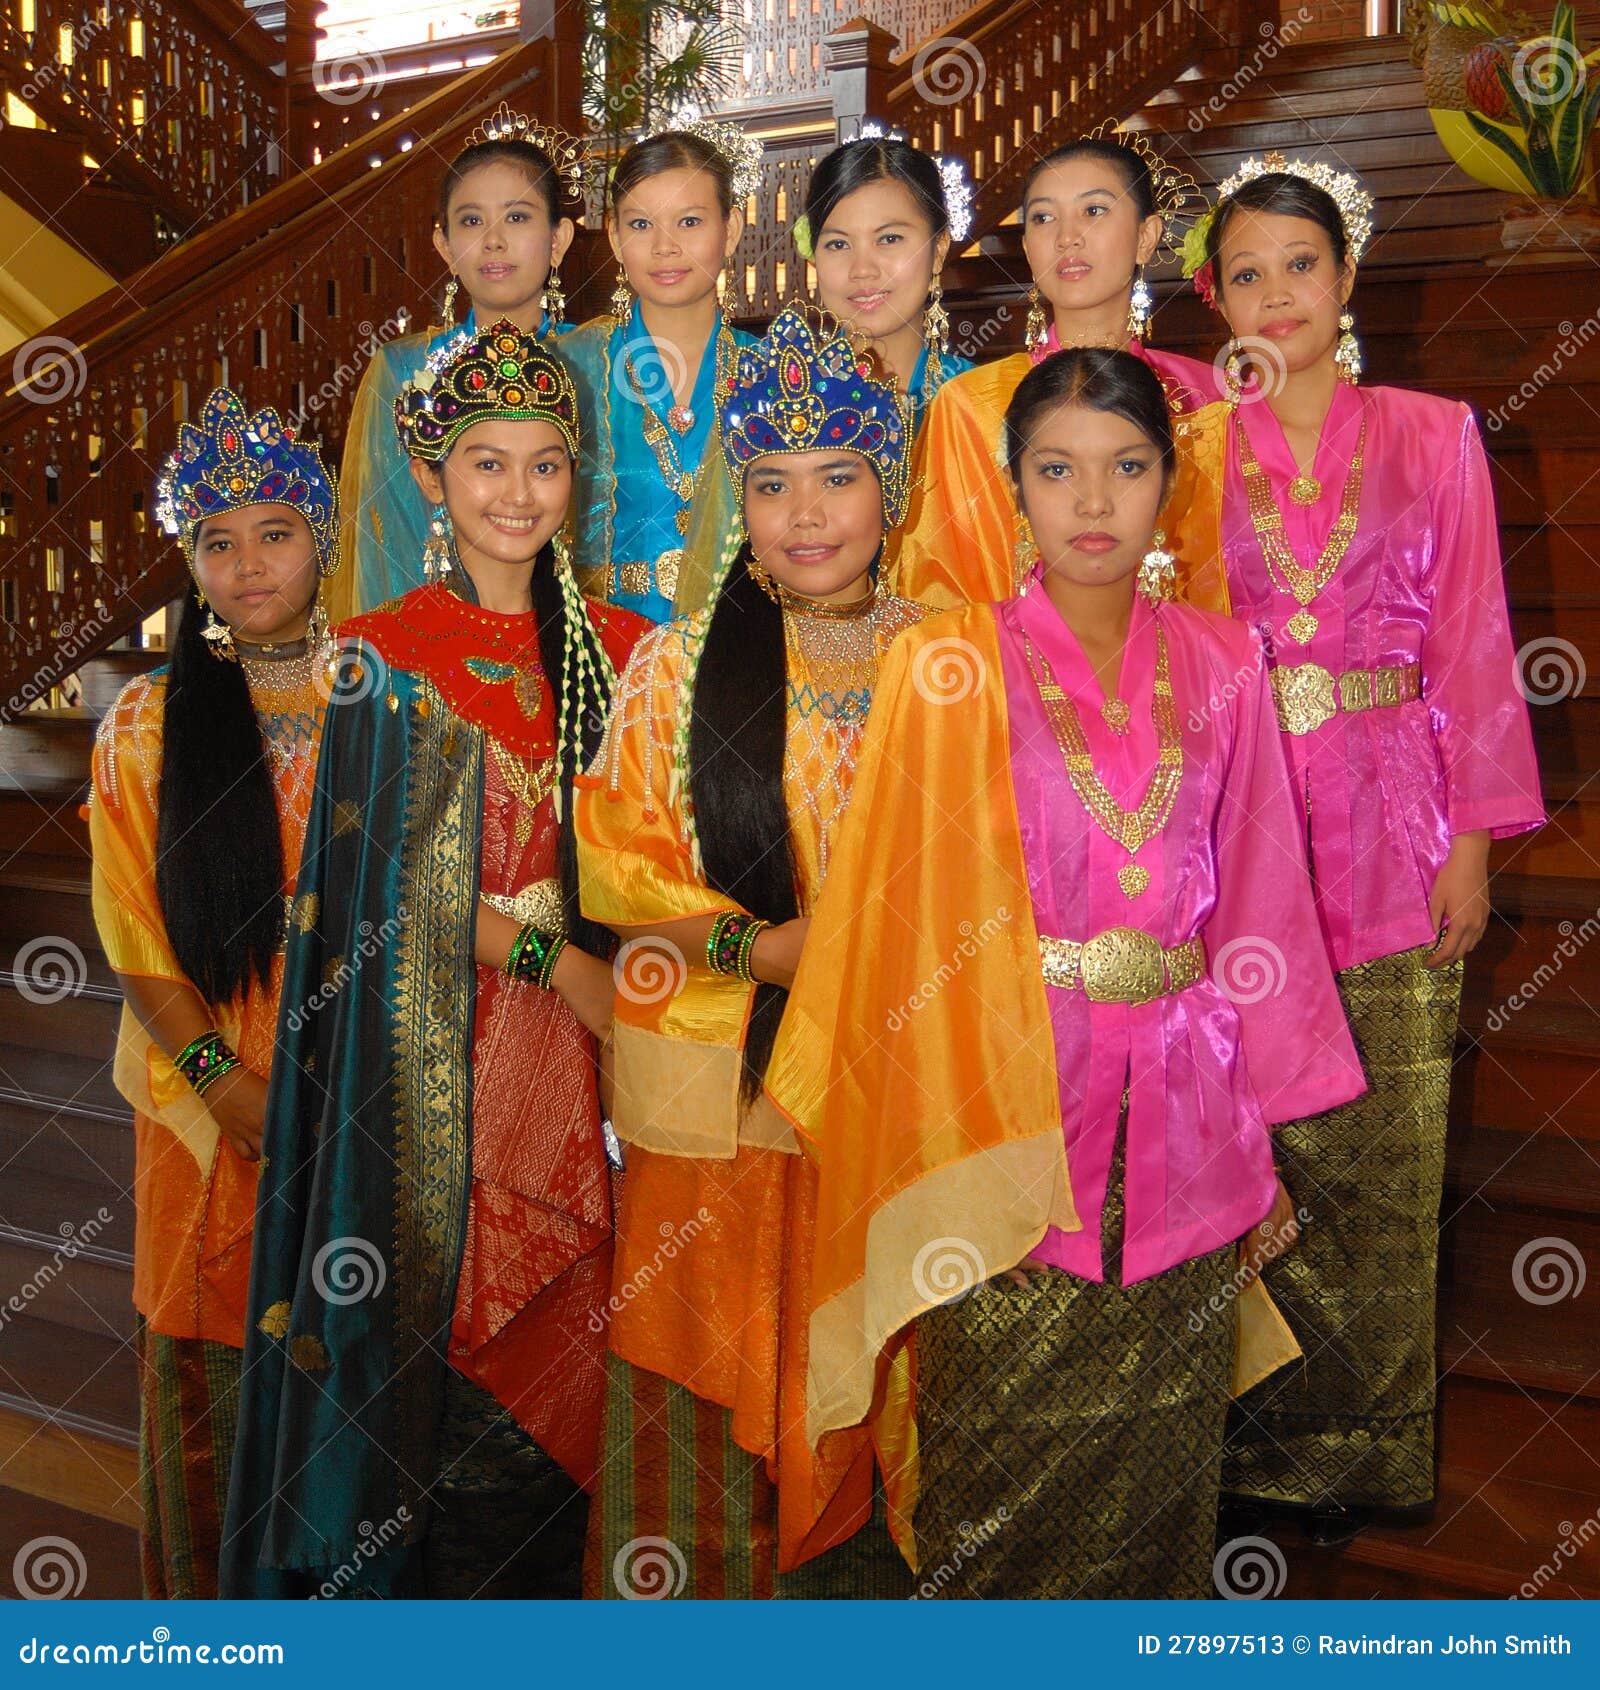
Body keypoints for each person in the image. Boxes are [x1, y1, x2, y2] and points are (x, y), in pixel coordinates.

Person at [765, 348, 1367, 1597]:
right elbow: (892, 920)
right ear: (1013, 488)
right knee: (993, 1475)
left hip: (1190, 1125)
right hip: (1004, 1124)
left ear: (1167, 483)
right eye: (1056, 470)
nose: (1093, 503)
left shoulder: (1227, 660)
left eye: (1125, 467)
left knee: (1160, 1482)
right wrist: (915, 1132)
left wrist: (1264, 1133)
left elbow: (1262, 907)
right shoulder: (946, 665)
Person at [222, 321, 647, 1598]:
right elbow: (379, 884)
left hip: (611, 1054)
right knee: (451, 1360)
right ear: (430, 477)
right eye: (485, 463)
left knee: (594, 1359)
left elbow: (655, 856)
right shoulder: (379, 653)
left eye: (544, 465)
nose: (518, 493)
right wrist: (553, 960)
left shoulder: (628, 649)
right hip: (429, 1057)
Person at [1187, 153, 1545, 1543]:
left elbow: (1473, 638)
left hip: (1396, 821)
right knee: (1250, 1139)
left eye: (1301, 265)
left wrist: (1474, 840)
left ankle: (1362, 1452)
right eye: (1247, 274)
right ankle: (1242, 1439)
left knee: (1385, 1151)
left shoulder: (1433, 432)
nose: (1275, 294)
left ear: (1346, 279)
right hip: (1239, 832)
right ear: (1214, 299)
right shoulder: (1188, 449)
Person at [575, 302, 925, 1597]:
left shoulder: (950, 660)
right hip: (722, 1098)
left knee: (883, 1368)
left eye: (838, 477)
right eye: (771, 484)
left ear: (891, 491)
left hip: (894, 1085)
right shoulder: (673, 670)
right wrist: (767, 949)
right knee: (705, 1403)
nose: (806, 513)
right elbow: (621, 871)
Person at [88, 390, 340, 1597]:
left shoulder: (376, 698)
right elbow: (133, 937)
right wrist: (222, 1085)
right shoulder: (146, 721)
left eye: (274, 533)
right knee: (215, 1402)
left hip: (351, 1089)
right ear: (191, 566)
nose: (248, 565)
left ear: (321, 542)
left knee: (349, 1388)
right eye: (218, 541)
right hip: (204, 1112)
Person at [893, 129, 1232, 613]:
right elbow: (947, 593)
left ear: (1146, 237)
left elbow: (1225, 575)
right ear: (1028, 247)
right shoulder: (972, 405)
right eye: (1044, 217)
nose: (1067, 236)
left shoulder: (1206, 400)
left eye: (1094, 210)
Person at [328, 105, 586, 622]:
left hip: (577, 631)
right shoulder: (405, 370)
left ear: (558, 239)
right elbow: (385, 538)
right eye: (471, 221)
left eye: (517, 217)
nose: (494, 240)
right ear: (444, 245)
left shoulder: (595, 359)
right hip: (434, 632)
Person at [562, 123, 761, 623]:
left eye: (689, 221)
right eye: (641, 224)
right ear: (614, 235)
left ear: (731, 229)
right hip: (602, 645)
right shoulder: (573, 366)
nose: (665, 246)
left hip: (739, 640)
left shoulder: (773, 371)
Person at [797, 129, 974, 438]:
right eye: (838, 244)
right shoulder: (786, 403)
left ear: (939, 249)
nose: (862, 270)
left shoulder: (981, 400)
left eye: (889, 239)